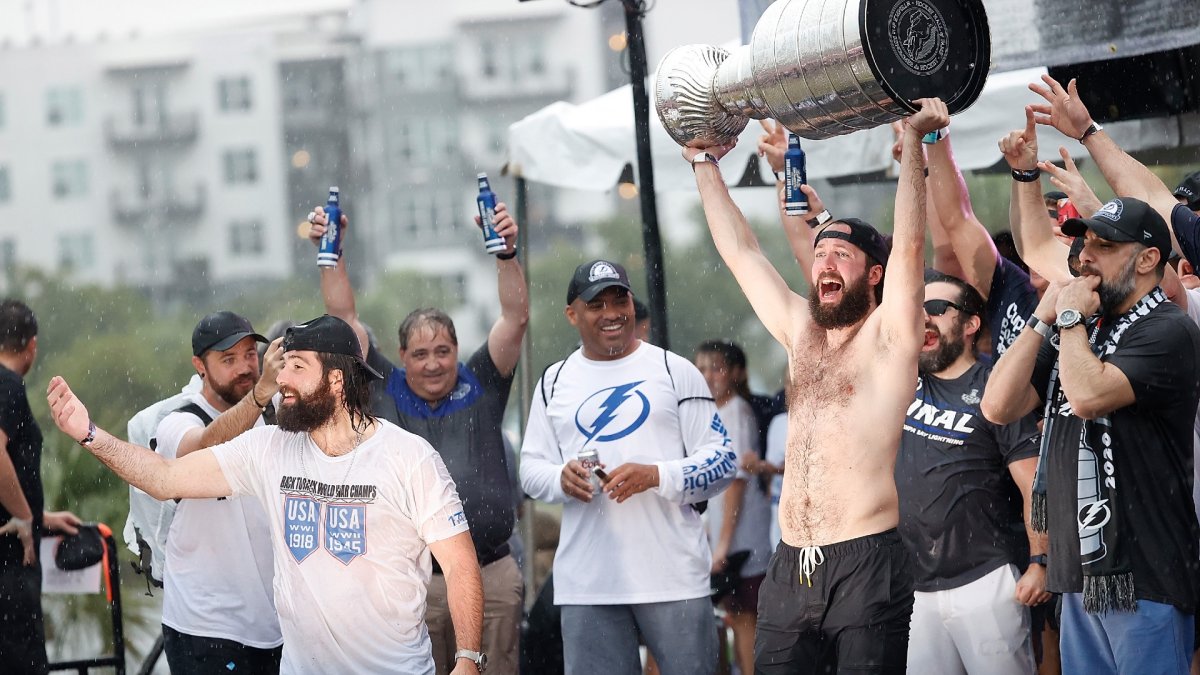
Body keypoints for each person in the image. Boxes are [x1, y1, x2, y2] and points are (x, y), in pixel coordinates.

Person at [44, 315, 486, 674]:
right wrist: (89, 433)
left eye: (297, 367)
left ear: (336, 381)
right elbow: (164, 477)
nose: (280, 378)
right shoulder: (269, 449)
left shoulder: (409, 458)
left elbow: (461, 565)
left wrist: (468, 658)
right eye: (282, 364)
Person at [688, 99, 949, 673]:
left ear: (873, 274)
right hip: (790, 563)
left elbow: (907, 247)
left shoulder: (890, 338)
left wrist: (913, 150)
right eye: (819, 253)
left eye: (842, 255)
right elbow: (741, 253)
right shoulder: (801, 331)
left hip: (868, 560)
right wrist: (704, 163)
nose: (824, 263)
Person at [981, 193, 1200, 674]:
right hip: (1079, 572)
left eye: (1103, 246)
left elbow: (1087, 395)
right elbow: (997, 406)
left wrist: (1070, 319)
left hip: (1145, 573)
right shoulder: (1073, 327)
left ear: (1146, 260)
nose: (1084, 258)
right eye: (1084, 245)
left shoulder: (1169, 329)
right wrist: (1044, 315)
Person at [306, 200, 526, 675]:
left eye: (443, 352)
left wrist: (506, 254)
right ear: (401, 355)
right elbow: (344, 319)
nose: (432, 363)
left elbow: (515, 318)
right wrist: (332, 254)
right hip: (413, 581)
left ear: (457, 352)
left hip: (491, 573)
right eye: (421, 353)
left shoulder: (483, 382)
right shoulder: (383, 387)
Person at [520, 259, 737, 675]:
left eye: (619, 300)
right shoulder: (553, 381)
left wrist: (656, 475)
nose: (612, 314)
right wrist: (560, 478)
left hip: (673, 575)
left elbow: (723, 461)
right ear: (572, 315)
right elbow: (531, 470)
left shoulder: (676, 370)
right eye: (596, 305)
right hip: (588, 585)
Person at [898, 272, 1048, 673]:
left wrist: (1040, 560)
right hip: (914, 590)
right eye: (919, 309)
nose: (924, 318)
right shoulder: (900, 382)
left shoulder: (996, 389)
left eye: (936, 309)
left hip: (987, 582)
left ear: (970, 324)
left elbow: (1031, 479)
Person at [155, 311, 285, 673]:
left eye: (249, 355)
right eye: (228, 359)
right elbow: (202, 447)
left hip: (272, 622)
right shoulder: (177, 419)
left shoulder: (273, 412)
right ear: (199, 365)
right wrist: (260, 396)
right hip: (205, 625)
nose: (245, 367)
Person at [0, 299, 82, 675]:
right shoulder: (7, 386)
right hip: (9, 563)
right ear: (32, 345)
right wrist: (22, 517)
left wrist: (39, 516)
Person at [695, 340, 772, 675]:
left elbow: (735, 483)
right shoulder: (713, 414)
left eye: (716, 368)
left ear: (734, 374)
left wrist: (723, 544)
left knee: (744, 620)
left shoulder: (735, 412)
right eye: (701, 368)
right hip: (726, 537)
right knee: (735, 617)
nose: (708, 375)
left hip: (743, 542)